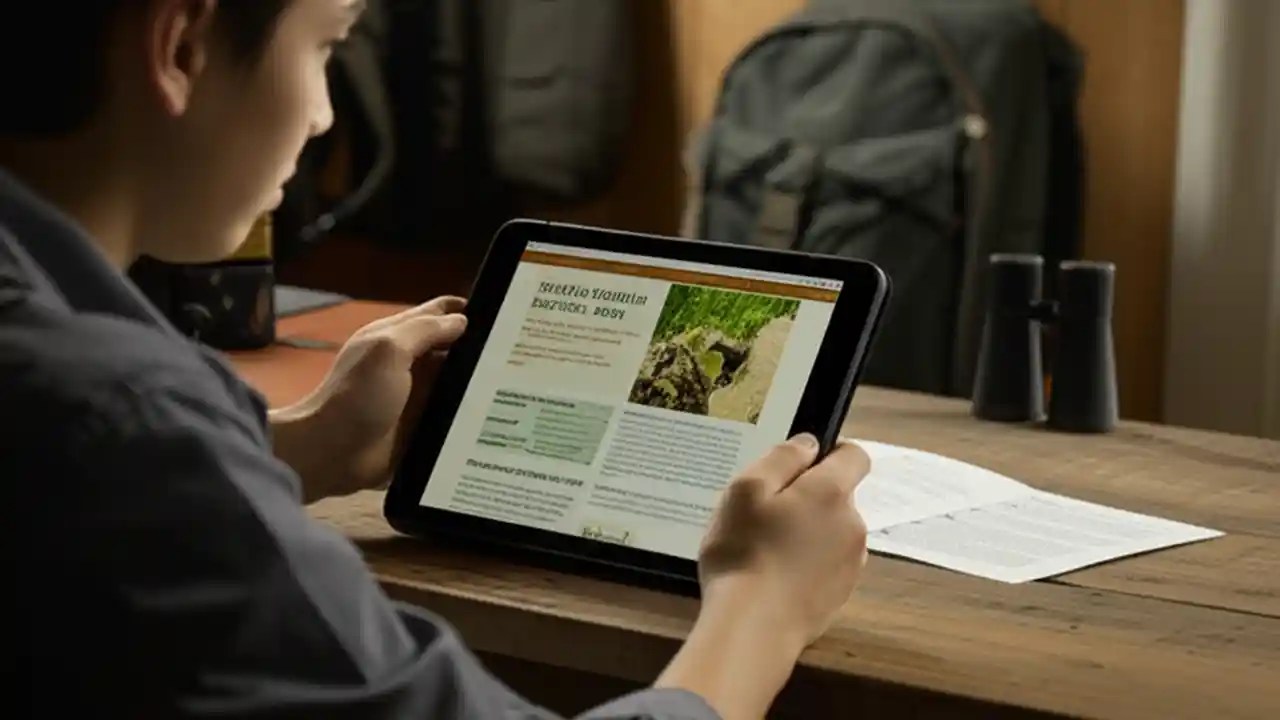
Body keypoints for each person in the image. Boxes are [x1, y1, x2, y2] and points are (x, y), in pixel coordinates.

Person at [1, 2, 872, 718]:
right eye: (327, 46)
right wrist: (762, 603)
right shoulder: (115, 415)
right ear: (182, 43)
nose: (323, 114)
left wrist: (298, 445)